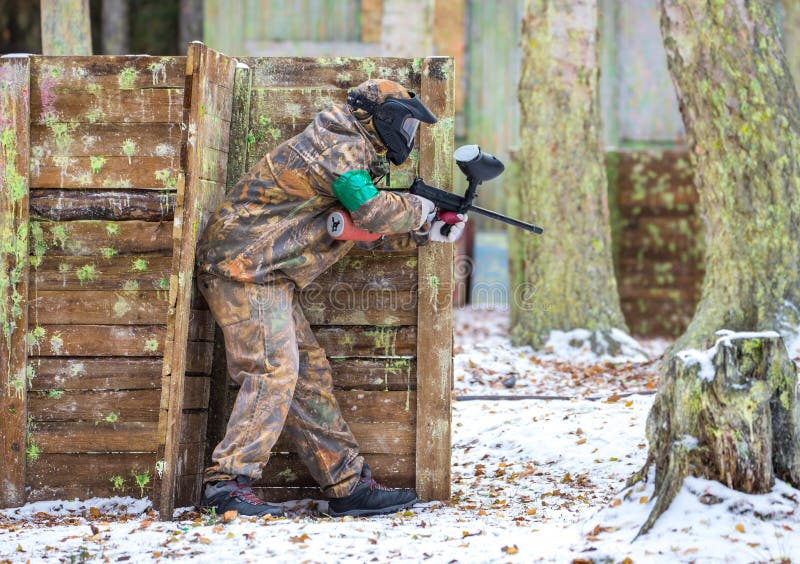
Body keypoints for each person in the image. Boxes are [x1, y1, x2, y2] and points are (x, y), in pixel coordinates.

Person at [195, 79, 467, 517]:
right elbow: (372, 211)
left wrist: (425, 231)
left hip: (266, 274)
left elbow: (356, 228)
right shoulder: (338, 146)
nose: (409, 138)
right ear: (384, 119)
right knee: (273, 369)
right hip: (242, 268)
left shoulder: (349, 153)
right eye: (407, 127)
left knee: (308, 376)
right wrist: (423, 211)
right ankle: (225, 485)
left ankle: (346, 485)